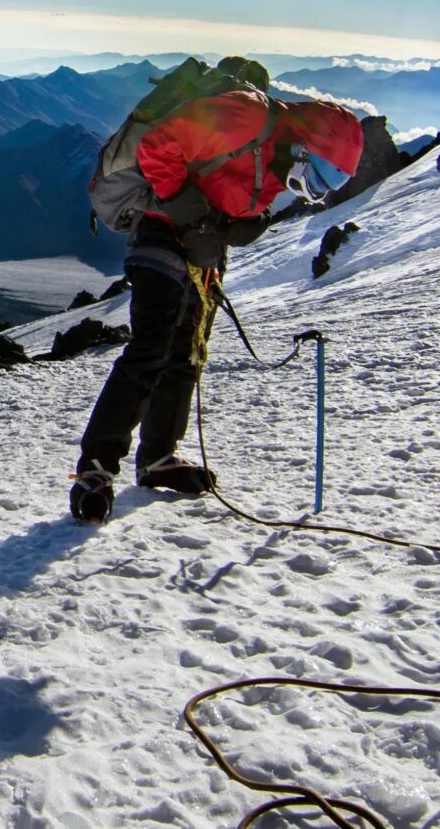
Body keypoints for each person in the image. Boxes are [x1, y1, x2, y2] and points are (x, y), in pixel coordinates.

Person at [70, 58, 363, 524]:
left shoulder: (282, 157)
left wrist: (242, 225)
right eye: (320, 176)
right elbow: (157, 148)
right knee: (152, 346)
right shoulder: (245, 115)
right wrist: (196, 218)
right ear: (308, 146)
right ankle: (96, 470)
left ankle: (158, 458)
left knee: (187, 352)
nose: (312, 191)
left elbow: (234, 194)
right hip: (161, 230)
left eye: (329, 186)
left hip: (201, 250)